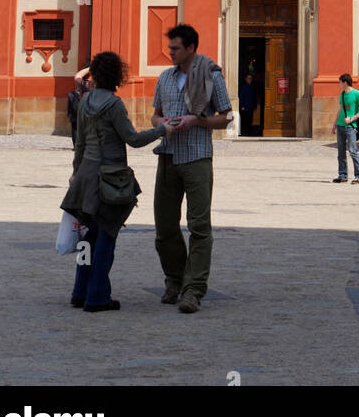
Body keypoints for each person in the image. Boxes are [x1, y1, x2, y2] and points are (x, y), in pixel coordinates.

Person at [61, 51, 169, 312]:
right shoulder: (114, 104)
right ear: (117, 76)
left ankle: (80, 290)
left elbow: (80, 144)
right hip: (110, 178)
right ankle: (97, 296)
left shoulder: (84, 102)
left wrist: (75, 172)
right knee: (106, 235)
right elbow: (132, 139)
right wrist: (162, 130)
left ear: (95, 74)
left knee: (87, 237)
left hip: (85, 176)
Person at [151, 23, 233, 313]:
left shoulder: (210, 75)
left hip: (197, 157)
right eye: (169, 47)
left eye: (175, 48)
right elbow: (155, 116)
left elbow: (225, 117)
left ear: (190, 48)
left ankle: (193, 290)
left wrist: (195, 121)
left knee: (199, 227)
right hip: (168, 156)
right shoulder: (165, 78)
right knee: (164, 227)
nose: (170, 52)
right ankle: (174, 281)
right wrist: (163, 124)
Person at [333, 72, 359, 184]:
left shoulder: (357, 94)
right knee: (341, 152)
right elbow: (340, 109)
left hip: (351, 127)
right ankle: (342, 175)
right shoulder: (342, 94)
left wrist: (352, 119)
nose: (339, 84)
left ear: (345, 83)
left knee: (353, 151)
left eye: (340, 82)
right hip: (340, 126)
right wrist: (334, 125)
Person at [66, 73, 89, 145]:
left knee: (76, 129)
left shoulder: (72, 93)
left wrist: (69, 114)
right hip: (77, 114)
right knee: (76, 129)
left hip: (76, 114)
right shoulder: (85, 93)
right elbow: (69, 105)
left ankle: (77, 144)